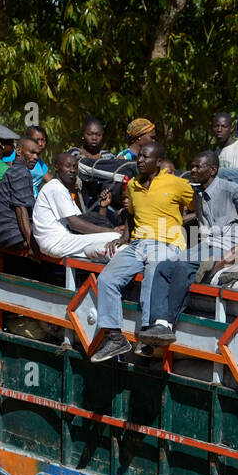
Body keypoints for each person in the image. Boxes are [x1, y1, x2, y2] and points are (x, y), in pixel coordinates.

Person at [137, 151, 238, 346]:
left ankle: (168, 323)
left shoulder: (231, 189)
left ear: (212, 170)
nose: (192, 170)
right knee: (162, 267)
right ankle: (157, 322)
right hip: (204, 247)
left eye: (197, 167)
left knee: (183, 268)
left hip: (225, 247)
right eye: (192, 166)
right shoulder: (198, 193)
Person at [89, 142, 194, 363]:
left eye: (146, 157)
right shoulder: (134, 185)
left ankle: (147, 334)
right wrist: (125, 236)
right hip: (139, 244)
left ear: (158, 162)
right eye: (140, 157)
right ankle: (115, 337)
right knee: (107, 278)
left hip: (167, 243)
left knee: (153, 275)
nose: (140, 160)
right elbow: (131, 214)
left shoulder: (177, 183)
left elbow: (200, 209)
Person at [31, 153, 123, 260]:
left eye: (75, 167)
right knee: (116, 237)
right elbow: (75, 224)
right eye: (68, 166)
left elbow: (83, 221)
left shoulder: (62, 189)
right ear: (56, 167)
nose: (73, 170)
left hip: (64, 240)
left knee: (105, 242)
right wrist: (110, 231)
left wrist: (103, 208)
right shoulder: (56, 188)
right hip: (57, 242)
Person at [0, 134, 43, 258]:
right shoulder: (21, 171)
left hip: (3, 234)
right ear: (18, 151)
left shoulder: (14, 170)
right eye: (32, 152)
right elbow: (21, 209)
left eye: (38, 154)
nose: (35, 157)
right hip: (12, 235)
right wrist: (31, 245)